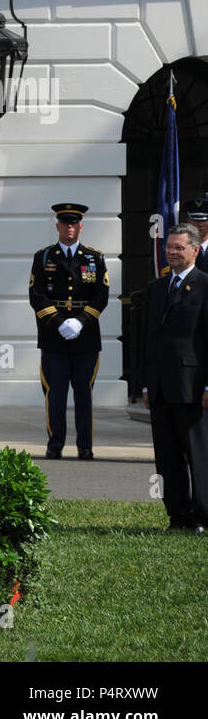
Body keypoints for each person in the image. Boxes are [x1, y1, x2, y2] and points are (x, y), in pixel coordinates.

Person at [141, 224, 208, 532]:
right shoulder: (156, 288)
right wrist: (144, 382)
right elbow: (147, 340)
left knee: (198, 455)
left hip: (192, 385)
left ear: (195, 250)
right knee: (167, 456)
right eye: (169, 246)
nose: (172, 252)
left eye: (179, 247)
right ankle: (178, 515)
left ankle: (202, 516)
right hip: (159, 386)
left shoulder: (205, 285)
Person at [29, 202, 108, 460]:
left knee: (84, 395)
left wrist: (80, 322)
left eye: (74, 223)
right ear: (57, 226)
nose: (69, 227)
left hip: (85, 338)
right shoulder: (43, 257)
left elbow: (101, 296)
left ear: (81, 226)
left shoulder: (95, 258)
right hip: (54, 337)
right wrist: (60, 322)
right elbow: (36, 295)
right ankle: (55, 444)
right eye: (65, 222)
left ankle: (85, 445)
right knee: (56, 395)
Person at [182, 197, 208, 274]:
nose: (200, 224)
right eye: (196, 220)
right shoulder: (180, 248)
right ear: (188, 220)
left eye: (204, 220)